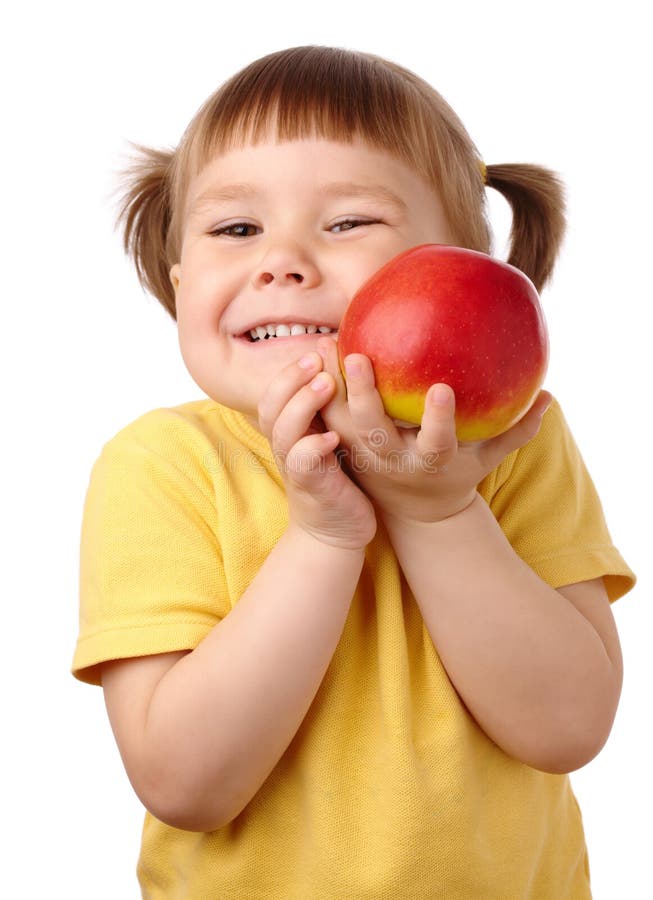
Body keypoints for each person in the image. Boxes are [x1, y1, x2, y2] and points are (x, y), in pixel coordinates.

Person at [71, 45, 636, 898]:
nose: (282, 260)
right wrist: (321, 535)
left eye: (346, 223)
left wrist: (439, 512)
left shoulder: (509, 447)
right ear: (179, 283)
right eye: (235, 229)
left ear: (458, 274)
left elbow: (567, 728)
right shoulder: (163, 466)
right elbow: (184, 785)